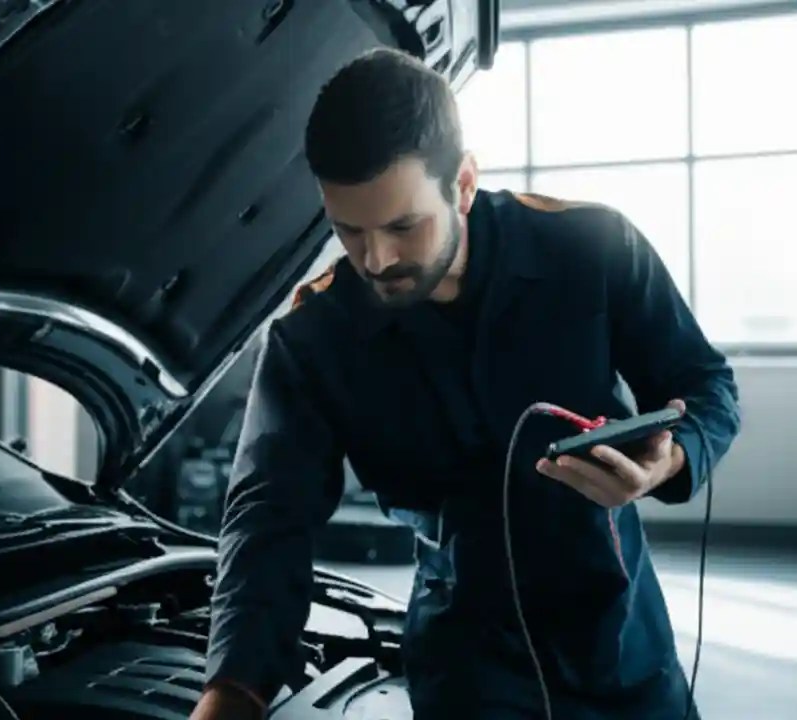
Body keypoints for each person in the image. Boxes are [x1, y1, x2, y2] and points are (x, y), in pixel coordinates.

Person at [189, 47, 740, 720]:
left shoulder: (592, 248)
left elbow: (707, 385)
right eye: (347, 231)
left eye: (402, 225)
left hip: (620, 638)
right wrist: (233, 691)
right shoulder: (311, 340)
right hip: (464, 659)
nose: (376, 259)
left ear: (465, 183)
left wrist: (671, 458)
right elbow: (267, 520)